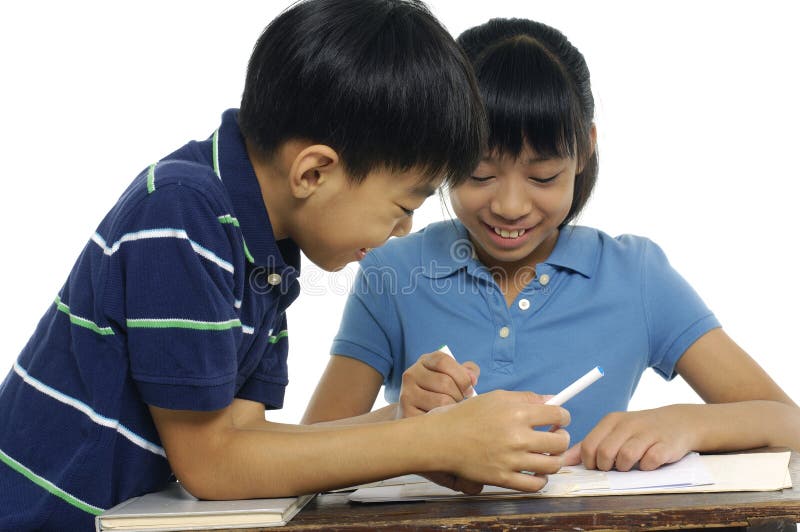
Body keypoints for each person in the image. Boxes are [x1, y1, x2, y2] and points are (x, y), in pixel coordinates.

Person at [0, 4, 573, 530]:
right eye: (403, 207)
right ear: (314, 173)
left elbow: (244, 438)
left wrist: (409, 424)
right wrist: (428, 443)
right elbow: (212, 464)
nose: (403, 231)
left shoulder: (265, 251)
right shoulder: (182, 212)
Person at [303, 17, 800, 472]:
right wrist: (404, 421)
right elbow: (308, 452)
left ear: (584, 150)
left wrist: (686, 423)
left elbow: (789, 424)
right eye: (480, 174)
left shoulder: (635, 275)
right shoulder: (393, 273)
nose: (511, 206)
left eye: (543, 176)